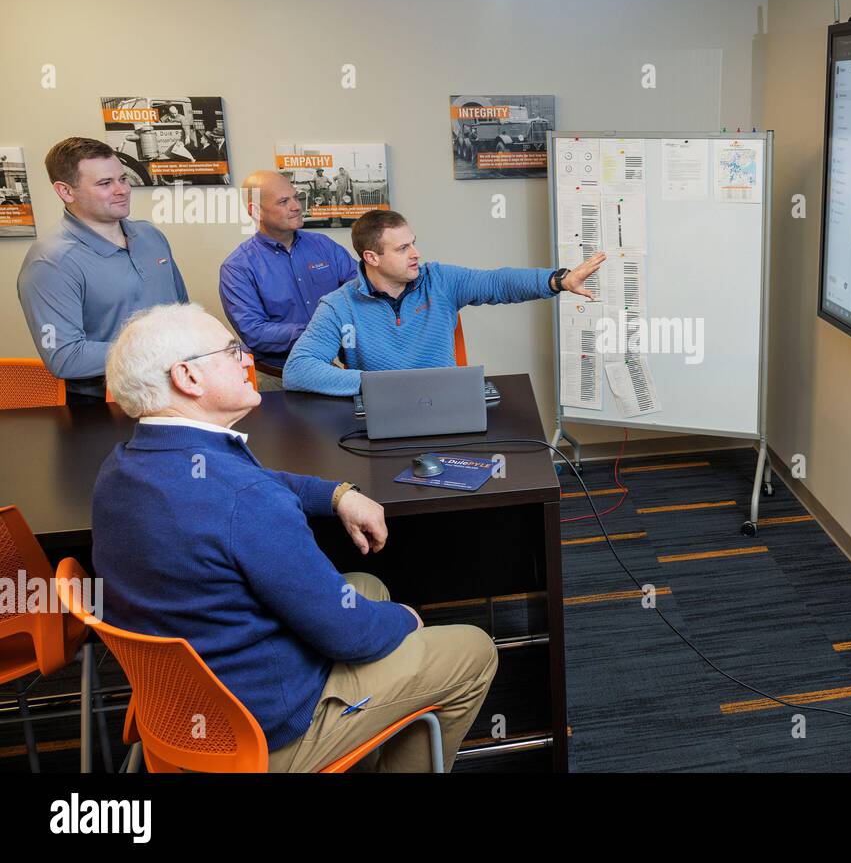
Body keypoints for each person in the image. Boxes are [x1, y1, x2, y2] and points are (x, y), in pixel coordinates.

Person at [92, 303, 497, 771]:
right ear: (188, 377)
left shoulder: (124, 466)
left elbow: (251, 487)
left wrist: (336, 494)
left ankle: (363, 741)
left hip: (183, 708)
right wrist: (405, 620)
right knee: (470, 650)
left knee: (366, 586)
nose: (247, 360)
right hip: (267, 732)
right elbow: (349, 634)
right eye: (231, 351)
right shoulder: (245, 499)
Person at [283, 208, 605, 395]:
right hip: (382, 414)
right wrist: (380, 386)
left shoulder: (439, 280)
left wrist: (558, 280)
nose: (416, 254)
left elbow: (496, 282)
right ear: (372, 257)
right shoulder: (339, 305)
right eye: (402, 249)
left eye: (414, 243)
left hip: (445, 402)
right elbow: (298, 370)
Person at [17, 137, 188, 403]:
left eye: (123, 178)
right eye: (105, 183)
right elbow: (65, 358)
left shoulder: (151, 235)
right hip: (106, 407)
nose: (122, 190)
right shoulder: (51, 262)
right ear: (66, 191)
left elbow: (183, 312)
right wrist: (158, 350)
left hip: (177, 390)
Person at [219, 170, 357, 391]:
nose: (296, 206)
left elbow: (360, 292)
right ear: (256, 212)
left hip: (328, 371)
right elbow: (255, 332)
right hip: (275, 381)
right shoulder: (237, 268)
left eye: (296, 197)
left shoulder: (325, 246)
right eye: (284, 201)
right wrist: (322, 331)